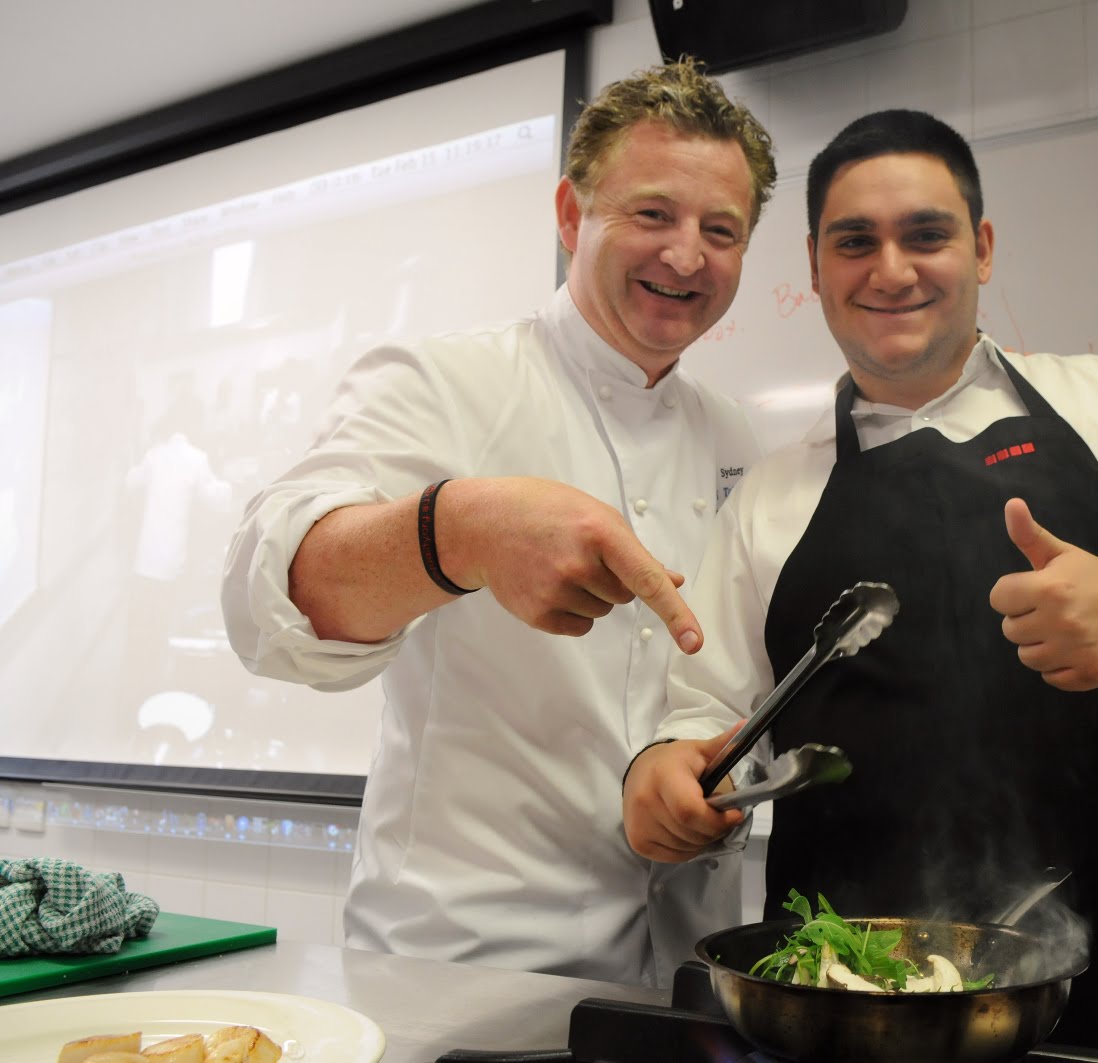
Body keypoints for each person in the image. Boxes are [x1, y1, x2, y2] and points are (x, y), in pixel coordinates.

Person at [621, 109, 1098, 1049]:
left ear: (983, 247)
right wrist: (665, 778)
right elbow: (703, 722)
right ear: (814, 267)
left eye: (926, 234)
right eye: (855, 242)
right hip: (858, 1012)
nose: (891, 271)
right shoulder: (769, 498)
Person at [220, 59, 777, 987]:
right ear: (570, 215)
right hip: (463, 968)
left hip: (683, 974)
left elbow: (727, 684)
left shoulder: (737, 437)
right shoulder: (444, 383)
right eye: (652, 214)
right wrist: (460, 531)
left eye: (720, 230)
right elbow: (263, 605)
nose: (687, 256)